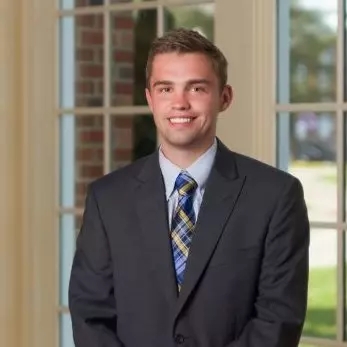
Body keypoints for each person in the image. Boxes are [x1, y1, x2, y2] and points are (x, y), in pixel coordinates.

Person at [69, 28, 309, 347]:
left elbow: (278, 321)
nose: (180, 103)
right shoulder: (107, 198)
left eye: (196, 88)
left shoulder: (276, 196)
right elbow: (90, 315)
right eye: (166, 89)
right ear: (150, 99)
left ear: (225, 98)